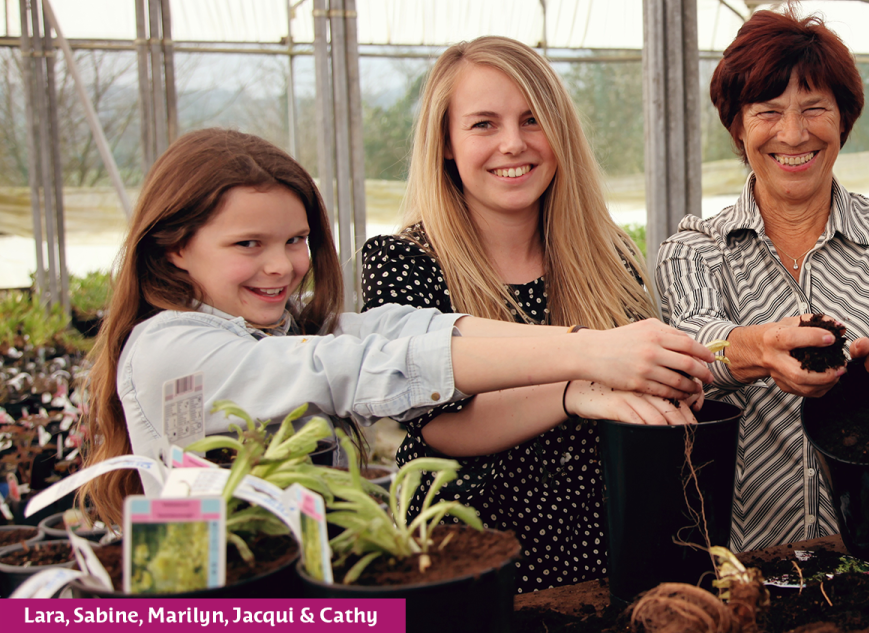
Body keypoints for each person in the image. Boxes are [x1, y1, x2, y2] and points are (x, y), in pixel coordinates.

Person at [80, 128, 713, 529]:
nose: (282, 266)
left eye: (296, 240)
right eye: (249, 244)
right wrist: (590, 356)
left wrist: (585, 361)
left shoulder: (281, 326)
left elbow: (412, 330)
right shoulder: (172, 348)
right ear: (174, 247)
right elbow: (352, 369)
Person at [358, 37, 694, 591]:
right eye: (483, 124)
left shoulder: (605, 255)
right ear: (446, 142)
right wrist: (574, 388)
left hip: (604, 554)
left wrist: (678, 377)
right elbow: (440, 423)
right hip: (471, 562)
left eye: (533, 119)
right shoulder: (404, 261)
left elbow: (637, 385)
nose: (513, 143)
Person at [655, 7, 869, 553]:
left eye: (815, 108)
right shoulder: (696, 250)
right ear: (738, 127)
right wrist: (760, 348)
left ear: (843, 119)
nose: (794, 134)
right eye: (768, 111)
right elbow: (693, 347)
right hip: (746, 555)